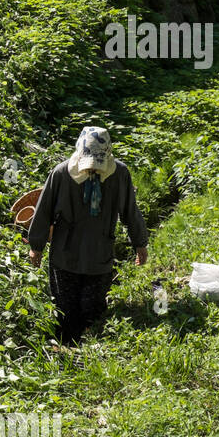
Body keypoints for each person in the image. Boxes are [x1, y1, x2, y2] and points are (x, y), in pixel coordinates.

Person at [27, 126, 147, 345]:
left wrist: (140, 243)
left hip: (98, 255)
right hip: (66, 255)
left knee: (92, 309)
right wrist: (36, 246)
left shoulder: (119, 174)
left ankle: (89, 351)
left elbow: (130, 210)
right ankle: (65, 349)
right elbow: (44, 210)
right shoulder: (62, 173)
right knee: (65, 310)